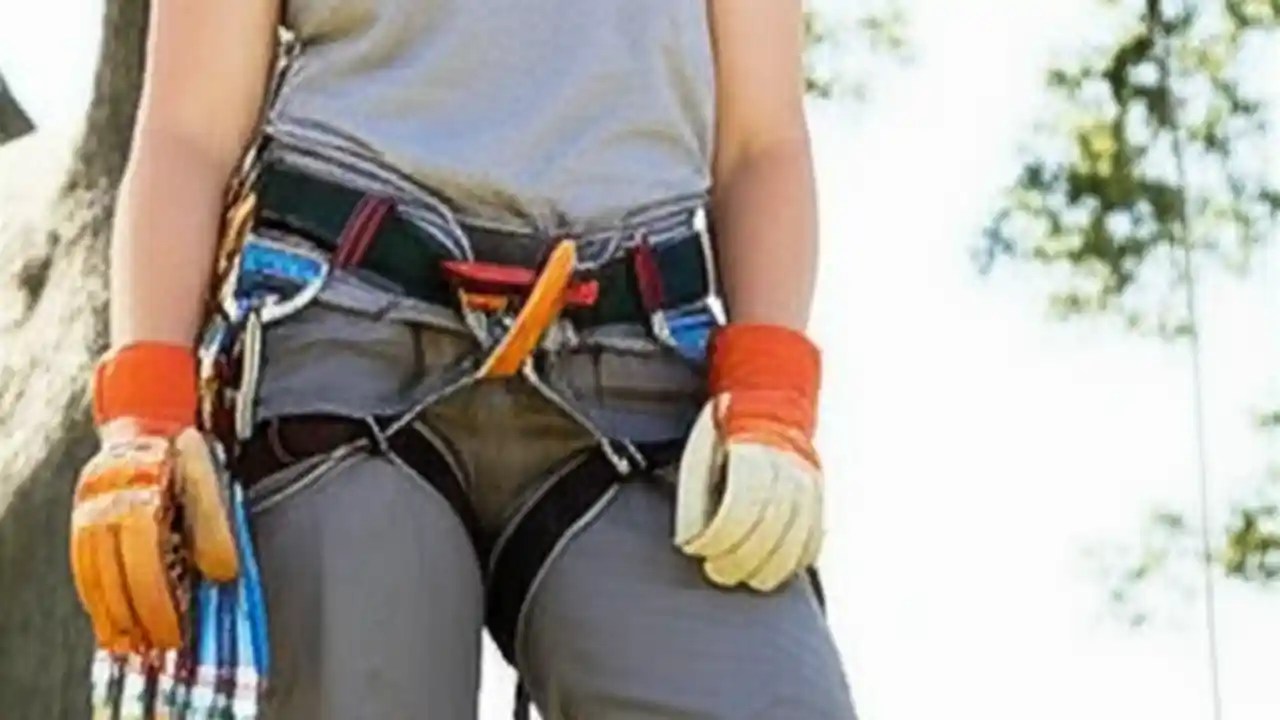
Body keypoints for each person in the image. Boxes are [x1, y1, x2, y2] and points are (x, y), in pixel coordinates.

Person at [70, 1, 857, 717]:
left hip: (640, 367)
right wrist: (143, 417)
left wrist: (769, 391)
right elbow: (188, 129)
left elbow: (762, 142)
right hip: (347, 341)